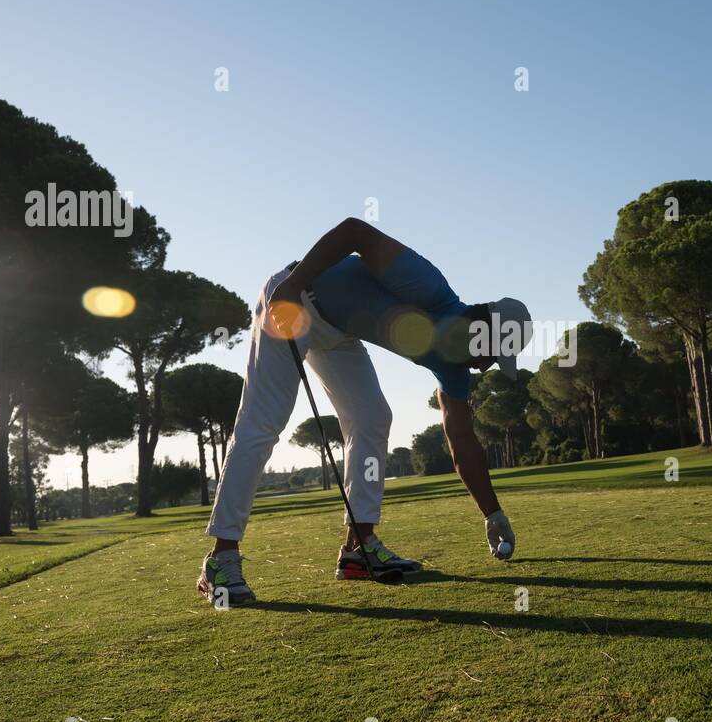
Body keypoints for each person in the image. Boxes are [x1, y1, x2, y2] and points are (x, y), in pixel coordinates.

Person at [196, 217, 531, 606]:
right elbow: (355, 231)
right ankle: (221, 558)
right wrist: (293, 283)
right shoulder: (429, 286)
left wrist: (492, 513)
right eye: (493, 354)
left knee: (372, 417)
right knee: (264, 419)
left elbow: (462, 442)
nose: (487, 367)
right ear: (482, 329)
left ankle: (359, 547)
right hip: (294, 296)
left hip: (338, 333)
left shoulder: (455, 369)